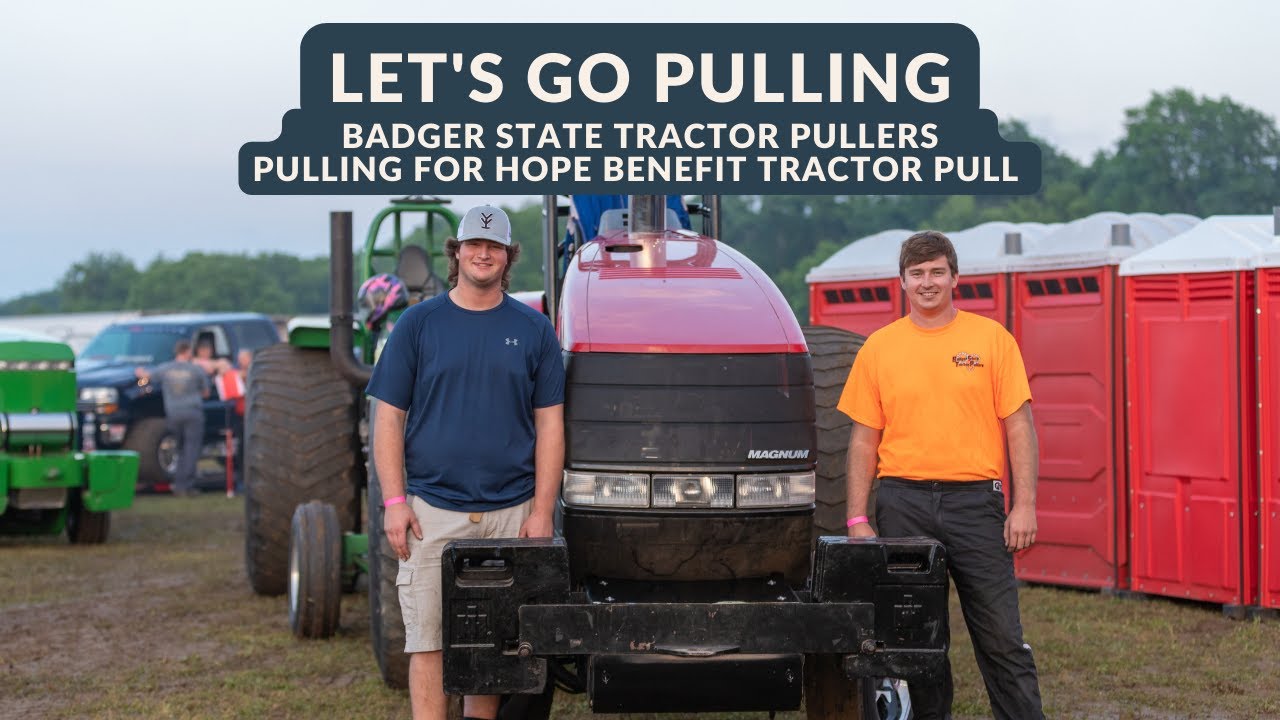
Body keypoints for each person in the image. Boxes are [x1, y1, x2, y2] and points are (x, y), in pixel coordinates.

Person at [365, 204, 566, 720]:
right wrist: (394, 501)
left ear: (507, 256)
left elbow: (549, 425)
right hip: (434, 510)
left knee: (491, 647)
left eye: (493, 246)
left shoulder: (534, 329)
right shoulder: (418, 324)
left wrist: (541, 511)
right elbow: (387, 418)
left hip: (511, 513)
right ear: (456, 253)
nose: (483, 254)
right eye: (473, 245)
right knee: (429, 642)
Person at [839, 231, 1043, 719]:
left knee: (1002, 640)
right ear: (902, 282)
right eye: (917, 274)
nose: (927, 282)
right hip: (902, 503)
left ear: (955, 278)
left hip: (976, 504)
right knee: (918, 644)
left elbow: (1019, 426)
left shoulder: (991, 340)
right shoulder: (879, 348)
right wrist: (856, 519)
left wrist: (1025, 503)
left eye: (936, 272)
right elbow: (864, 440)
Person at [135, 339, 212, 497]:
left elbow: (145, 379)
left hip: (173, 414)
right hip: (193, 413)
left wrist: (140, 377)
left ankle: (177, 482)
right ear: (188, 352)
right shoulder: (196, 369)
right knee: (192, 449)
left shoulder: (165, 369)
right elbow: (206, 393)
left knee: (180, 448)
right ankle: (186, 486)